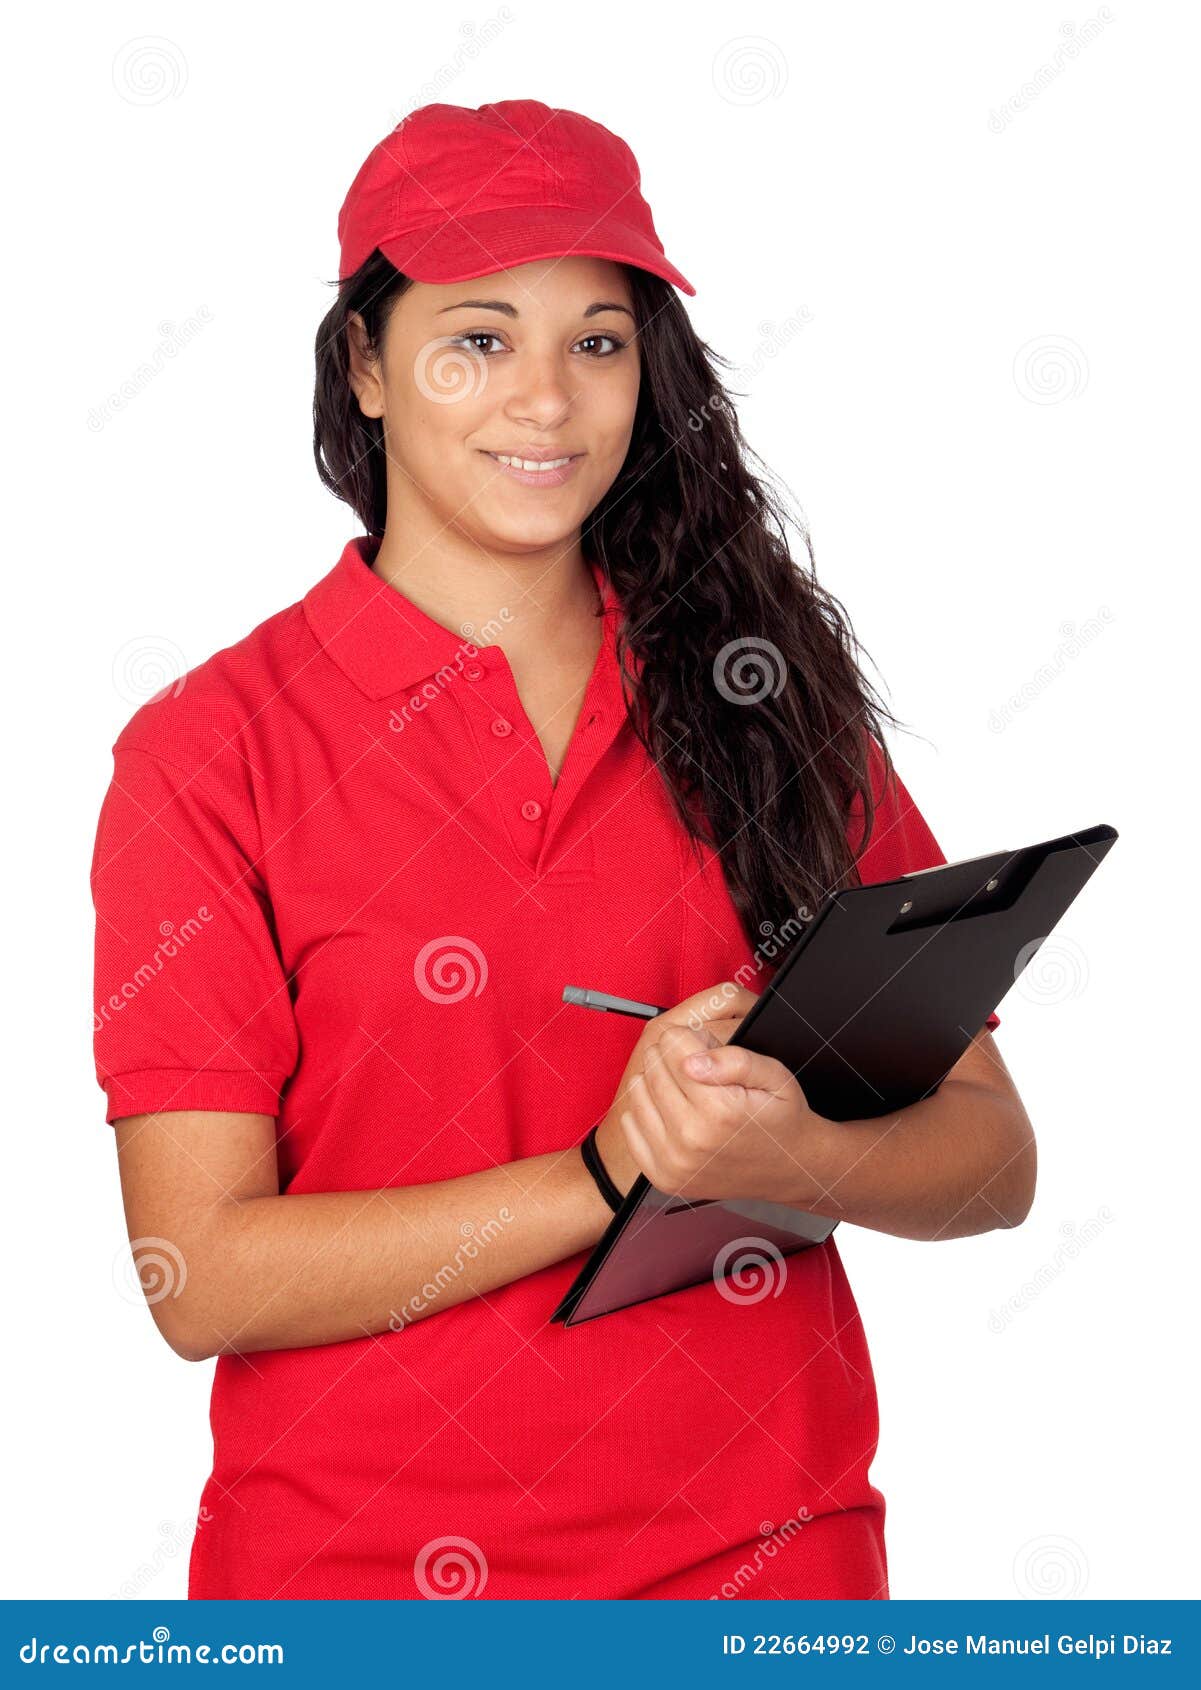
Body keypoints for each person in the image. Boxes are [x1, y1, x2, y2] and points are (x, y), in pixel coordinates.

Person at [90, 99, 1035, 1601]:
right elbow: (198, 1274)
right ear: (365, 367)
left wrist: (798, 1154)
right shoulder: (211, 751)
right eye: (478, 337)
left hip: (765, 1571)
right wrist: (609, 1174)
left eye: (596, 341)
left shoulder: (758, 694)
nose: (546, 401)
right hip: (351, 1587)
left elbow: (992, 1158)